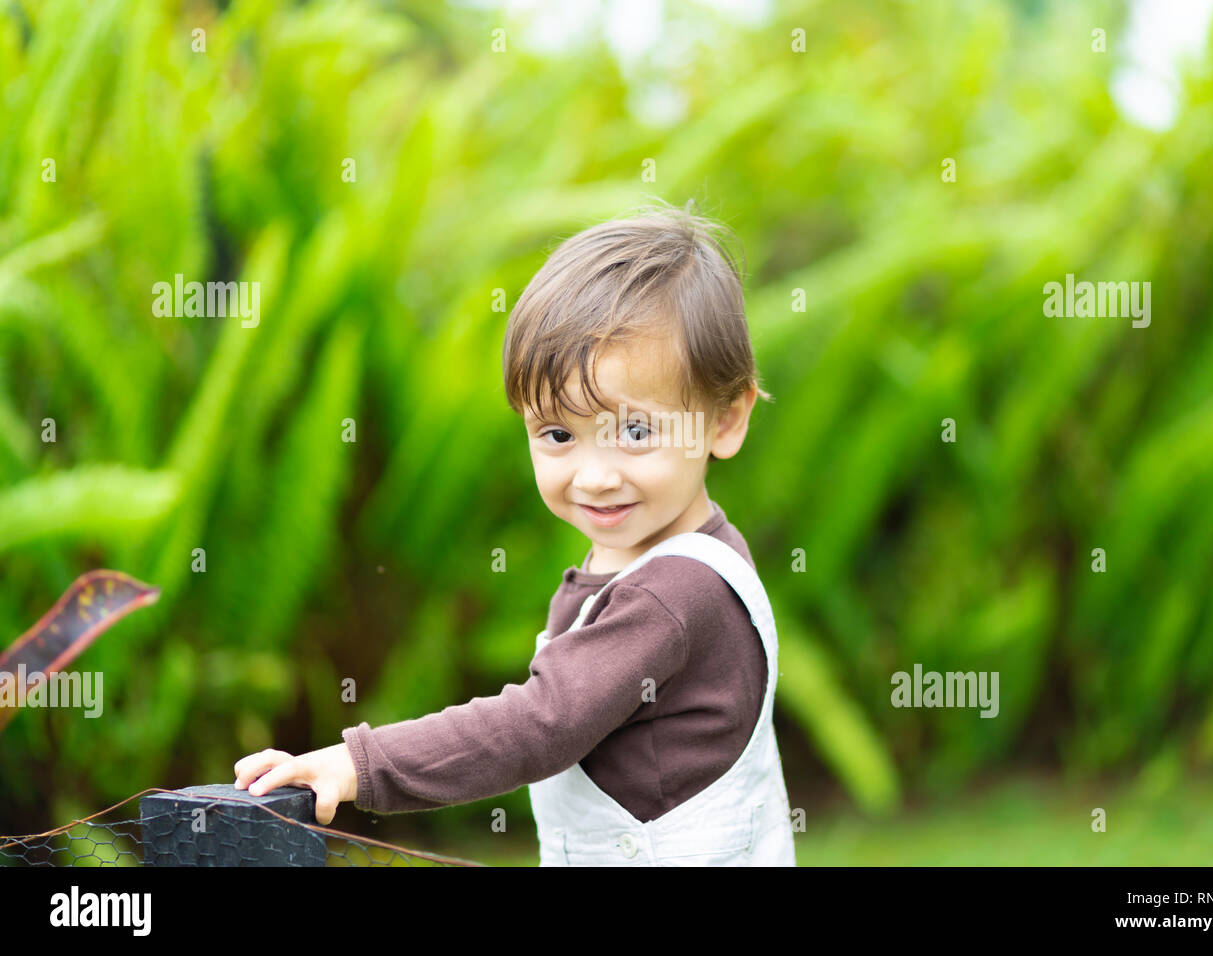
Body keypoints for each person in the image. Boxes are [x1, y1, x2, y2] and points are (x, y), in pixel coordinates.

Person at [233, 200, 797, 865]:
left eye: (636, 431)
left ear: (726, 420)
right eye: (558, 434)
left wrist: (359, 764)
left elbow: (540, 723)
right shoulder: (697, 554)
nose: (594, 475)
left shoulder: (673, 594)